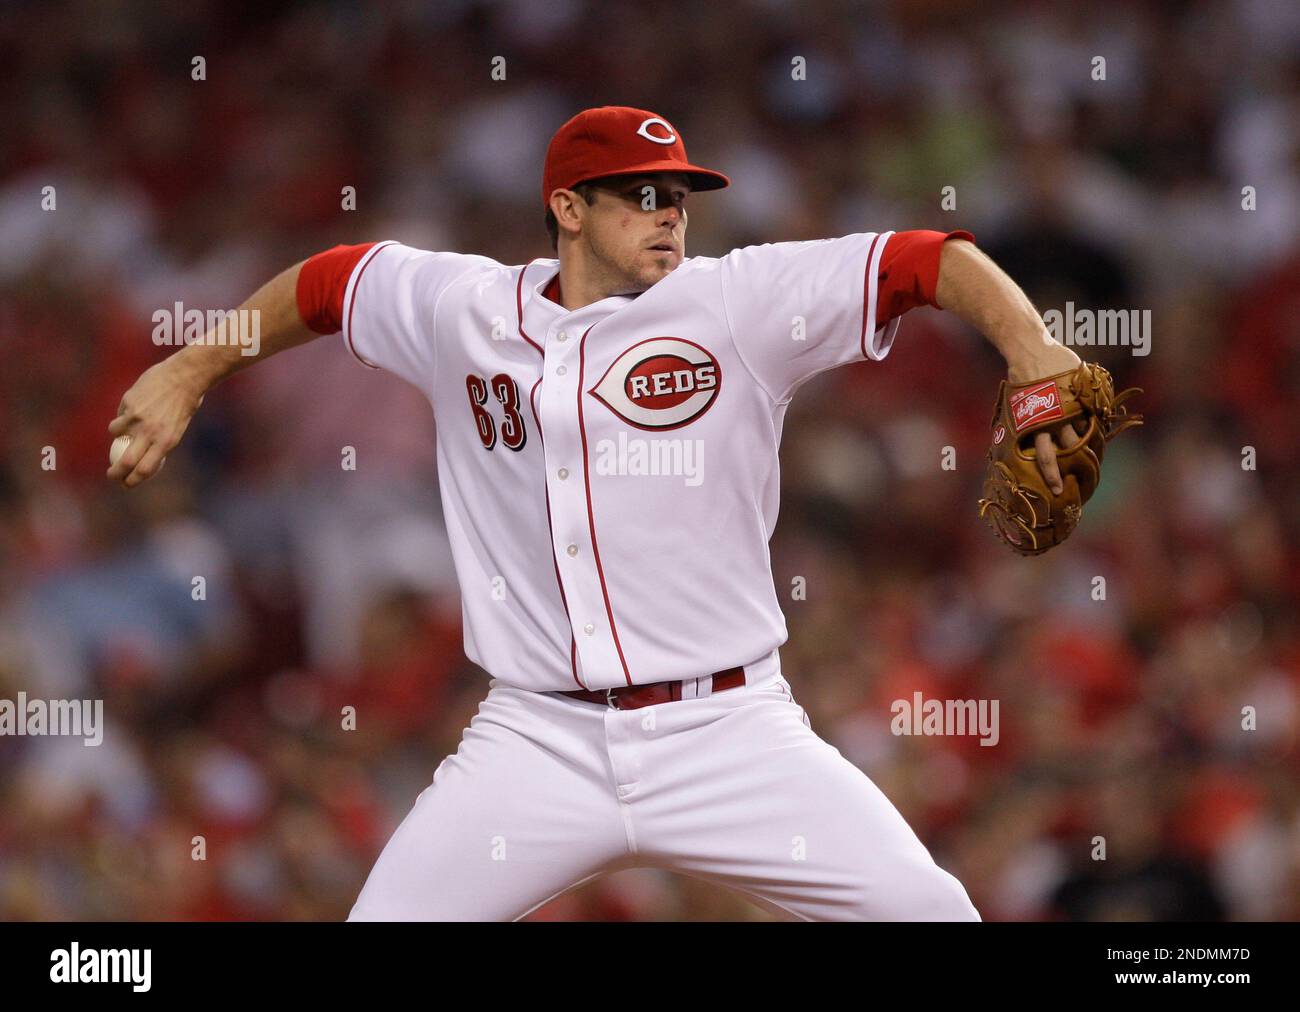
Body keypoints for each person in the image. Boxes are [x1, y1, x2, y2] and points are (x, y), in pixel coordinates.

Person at [109, 105, 1084, 921]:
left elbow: (924, 260)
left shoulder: (736, 302)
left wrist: (1030, 344)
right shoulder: (465, 309)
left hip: (729, 729)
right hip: (537, 741)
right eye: (641, 196)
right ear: (567, 209)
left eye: (678, 197)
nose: (671, 215)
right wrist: (193, 365)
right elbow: (331, 283)